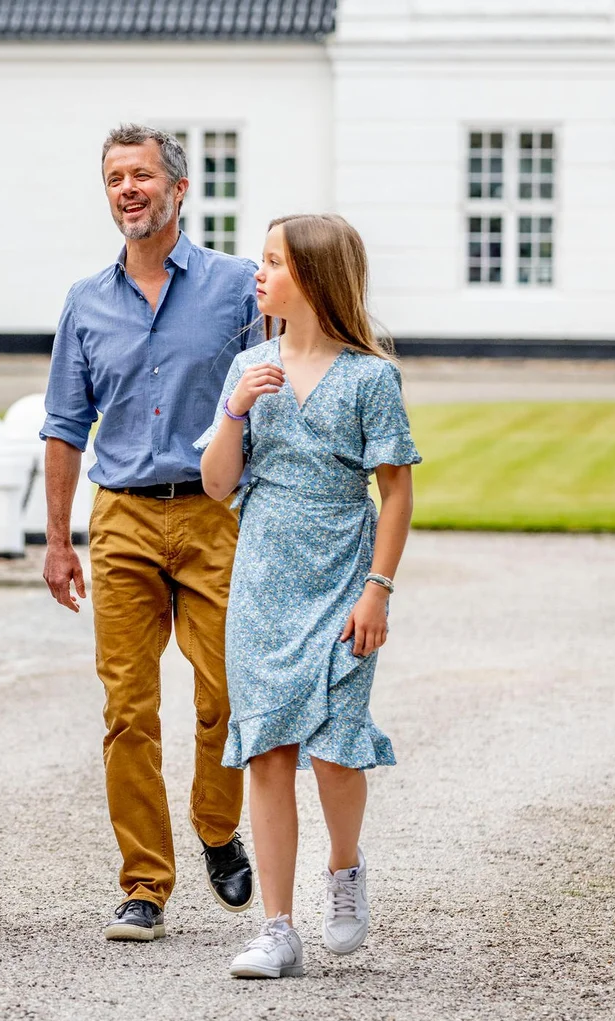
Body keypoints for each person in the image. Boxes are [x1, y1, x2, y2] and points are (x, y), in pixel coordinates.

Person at [41, 125, 260, 943]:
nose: (127, 189)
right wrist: (57, 540)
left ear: (179, 189)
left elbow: (272, 401)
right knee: (127, 709)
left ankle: (217, 825)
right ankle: (144, 883)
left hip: (214, 513)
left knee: (227, 690)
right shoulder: (85, 301)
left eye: (141, 175)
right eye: (114, 178)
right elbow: (65, 426)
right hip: (123, 516)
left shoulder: (237, 288)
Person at [198, 214, 418, 979]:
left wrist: (378, 590)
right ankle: (278, 929)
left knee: (334, 748)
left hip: (343, 575)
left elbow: (396, 492)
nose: (257, 274)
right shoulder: (249, 366)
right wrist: (235, 410)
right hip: (262, 580)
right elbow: (217, 484)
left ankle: (345, 868)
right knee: (266, 750)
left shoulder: (370, 377)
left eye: (273, 261)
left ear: (315, 277)